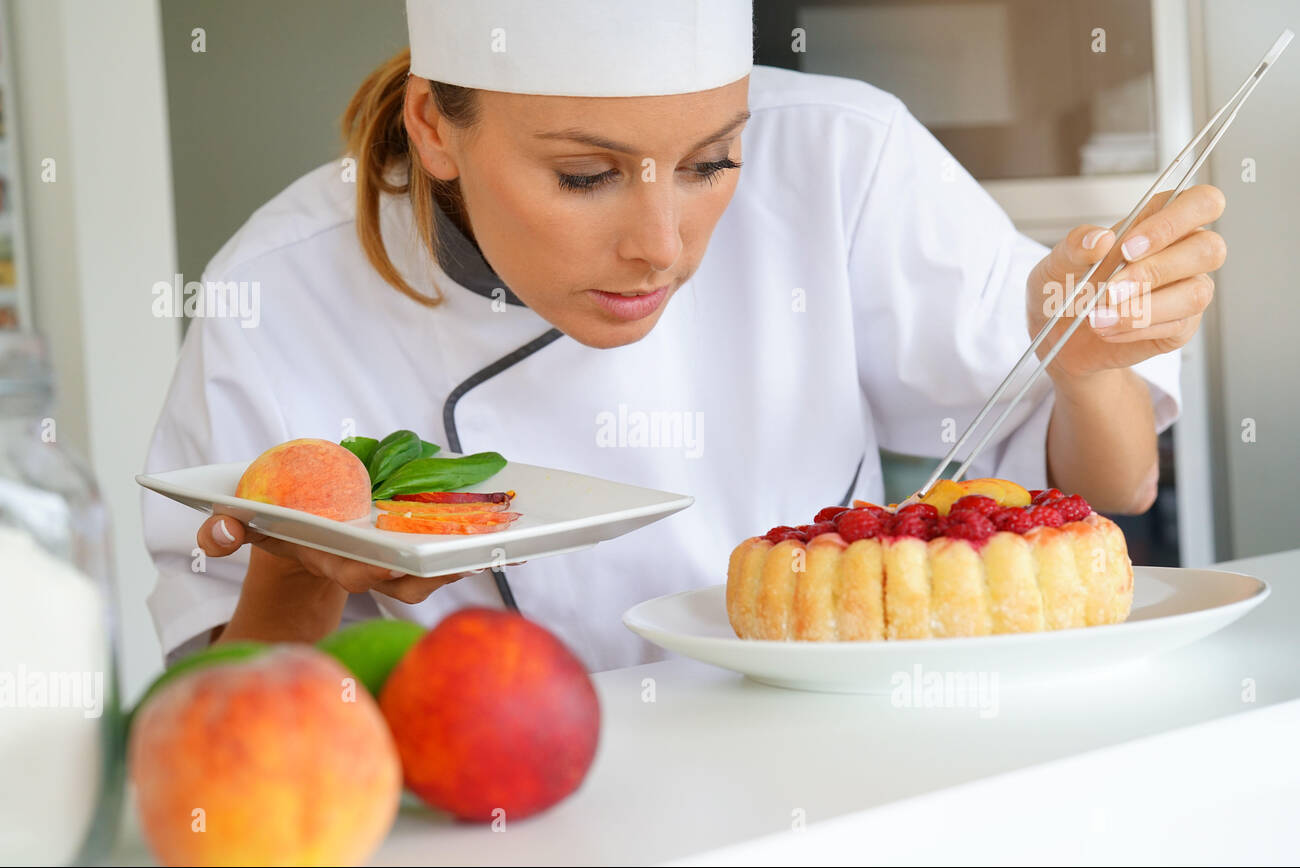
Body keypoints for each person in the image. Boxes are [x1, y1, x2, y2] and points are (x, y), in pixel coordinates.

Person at [141, 0, 1227, 670]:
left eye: (712, 162)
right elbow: (227, 715)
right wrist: (302, 571)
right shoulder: (277, 290)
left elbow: (1113, 487)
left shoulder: (839, 156)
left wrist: (1087, 370)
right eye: (585, 176)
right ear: (434, 126)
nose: (660, 246)